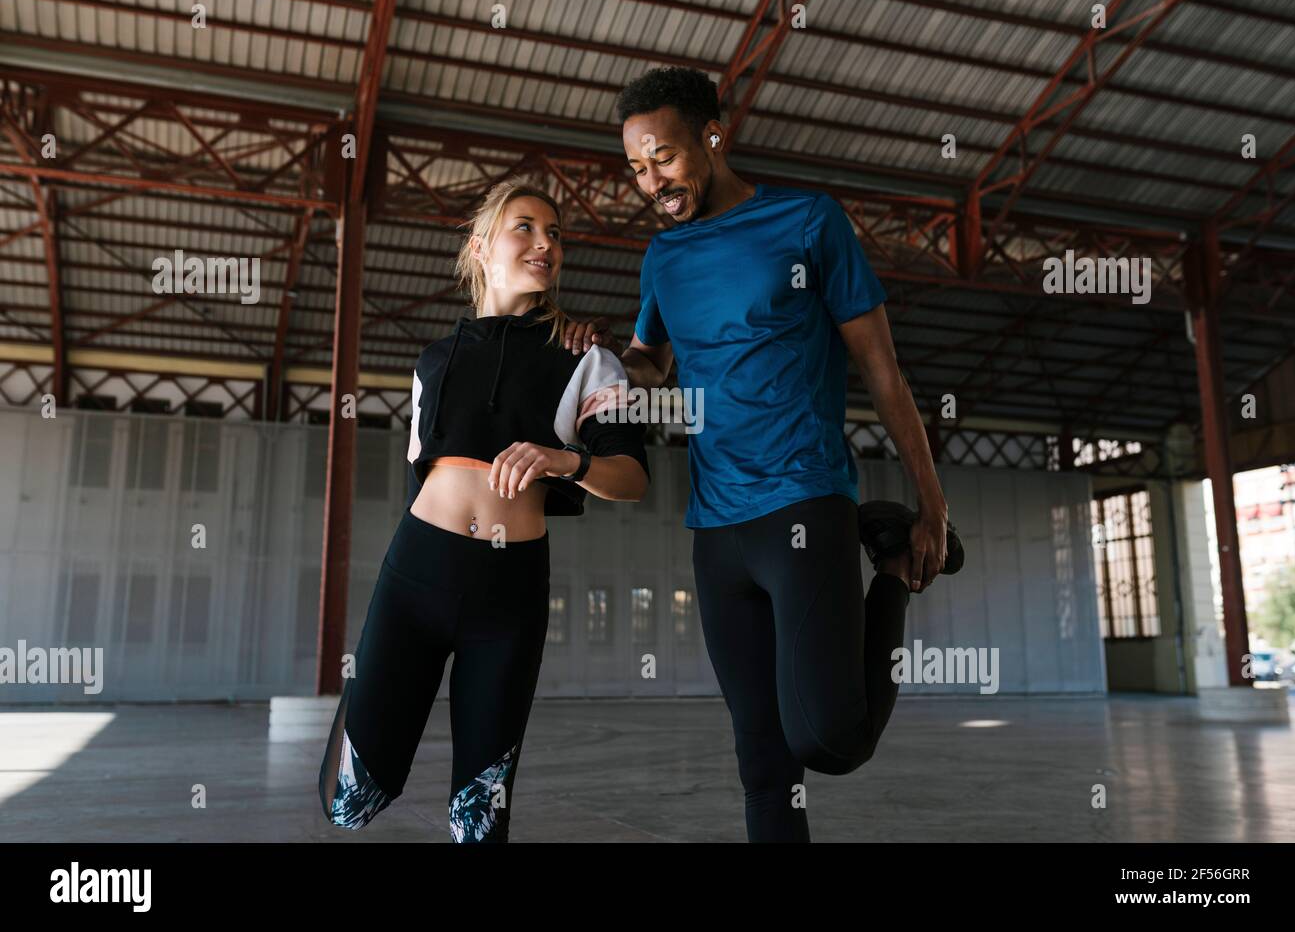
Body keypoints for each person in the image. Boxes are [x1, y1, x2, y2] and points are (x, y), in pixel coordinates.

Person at [564, 67, 964, 842]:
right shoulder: (664, 259)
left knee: (829, 740)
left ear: (714, 136)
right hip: (717, 527)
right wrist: (602, 352)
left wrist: (933, 507)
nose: (652, 181)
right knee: (763, 761)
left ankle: (887, 574)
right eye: (637, 168)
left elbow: (883, 373)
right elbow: (650, 371)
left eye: (665, 158)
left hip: (804, 503)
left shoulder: (808, 222)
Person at [319, 179, 650, 842]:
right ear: (480, 245)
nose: (545, 243)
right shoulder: (432, 363)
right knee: (348, 801)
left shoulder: (590, 359)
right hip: (416, 574)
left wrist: (567, 462)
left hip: (509, 593)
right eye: (525, 227)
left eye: (556, 234)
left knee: (479, 819)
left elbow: (633, 479)